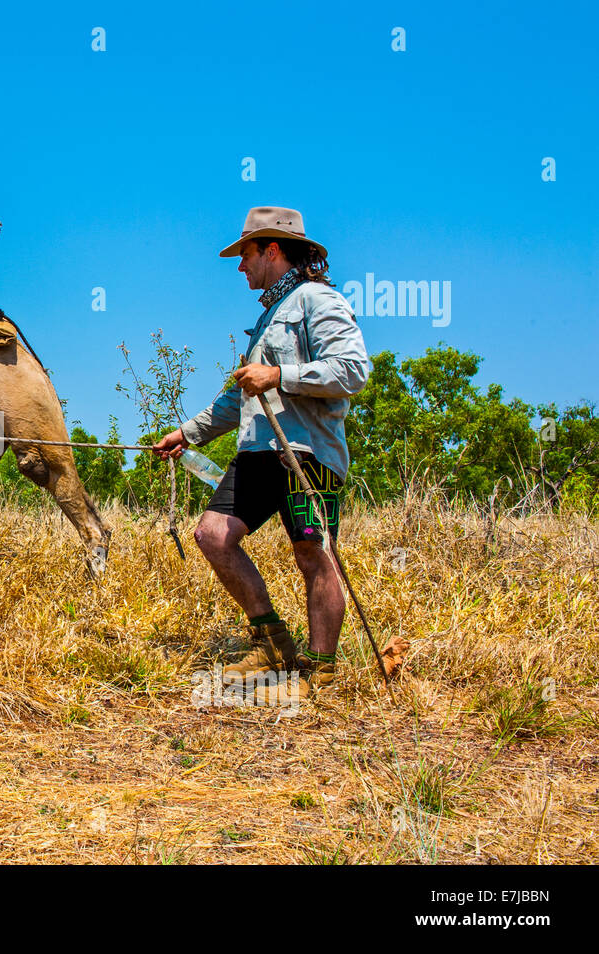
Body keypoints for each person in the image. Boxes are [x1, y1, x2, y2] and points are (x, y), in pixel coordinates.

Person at [155, 207, 371, 702]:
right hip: (257, 450)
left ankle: (321, 667)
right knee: (212, 534)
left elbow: (352, 370)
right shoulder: (266, 318)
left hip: (306, 454)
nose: (239, 267)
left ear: (272, 250)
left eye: (245, 254)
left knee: (312, 552)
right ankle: (271, 641)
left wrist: (280, 376)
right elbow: (238, 400)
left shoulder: (319, 301)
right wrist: (187, 434)